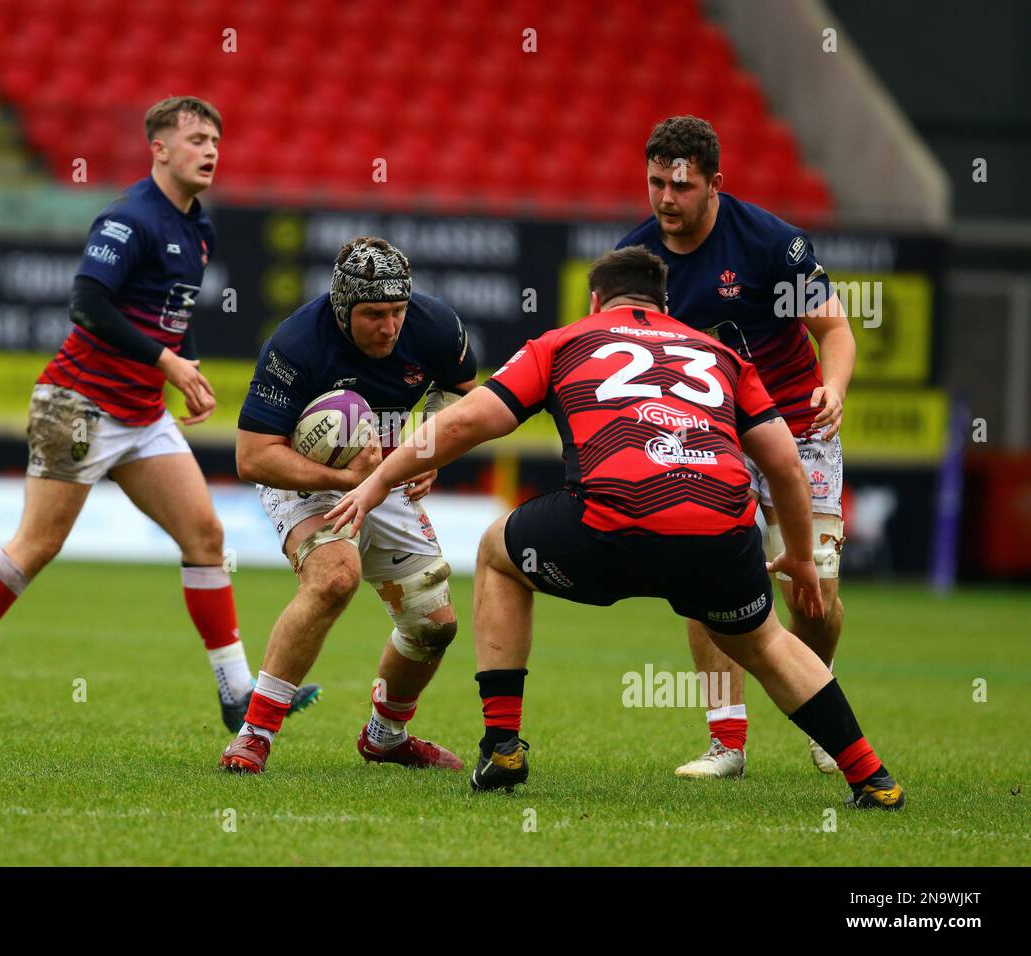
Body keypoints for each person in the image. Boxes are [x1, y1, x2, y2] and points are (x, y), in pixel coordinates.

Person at [328, 246, 903, 810]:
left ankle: (502, 745)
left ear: (595, 299)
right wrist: (801, 556)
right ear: (665, 306)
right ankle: (871, 776)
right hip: (719, 532)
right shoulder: (721, 355)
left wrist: (379, 481)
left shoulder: (563, 341)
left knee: (497, 555)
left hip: (609, 524)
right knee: (767, 642)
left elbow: (468, 421)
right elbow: (783, 463)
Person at [0, 96, 316, 731]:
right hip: (78, 406)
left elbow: (171, 314)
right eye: (197, 138)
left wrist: (189, 368)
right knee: (38, 543)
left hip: (141, 413)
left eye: (216, 140)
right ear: (158, 148)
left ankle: (238, 694)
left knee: (206, 538)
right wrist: (169, 363)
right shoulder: (131, 219)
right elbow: (88, 304)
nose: (210, 150)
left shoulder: (197, 227)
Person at [616, 116, 856, 777]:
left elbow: (834, 331)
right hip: (707, 434)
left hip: (796, 430)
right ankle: (727, 742)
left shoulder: (769, 244)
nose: (666, 199)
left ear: (715, 183)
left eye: (681, 186)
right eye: (656, 183)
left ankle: (818, 688)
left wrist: (833, 386)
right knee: (704, 578)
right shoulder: (637, 261)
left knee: (816, 591)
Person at [218, 237, 477, 774]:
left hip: (384, 471)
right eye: (373, 315)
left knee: (435, 625)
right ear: (342, 309)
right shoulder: (294, 345)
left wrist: (431, 444)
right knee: (335, 578)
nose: (389, 327)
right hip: (304, 474)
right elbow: (252, 457)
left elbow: (461, 389)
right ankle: (254, 734)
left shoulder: (434, 325)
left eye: (398, 311)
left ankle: (385, 737)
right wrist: (342, 476)